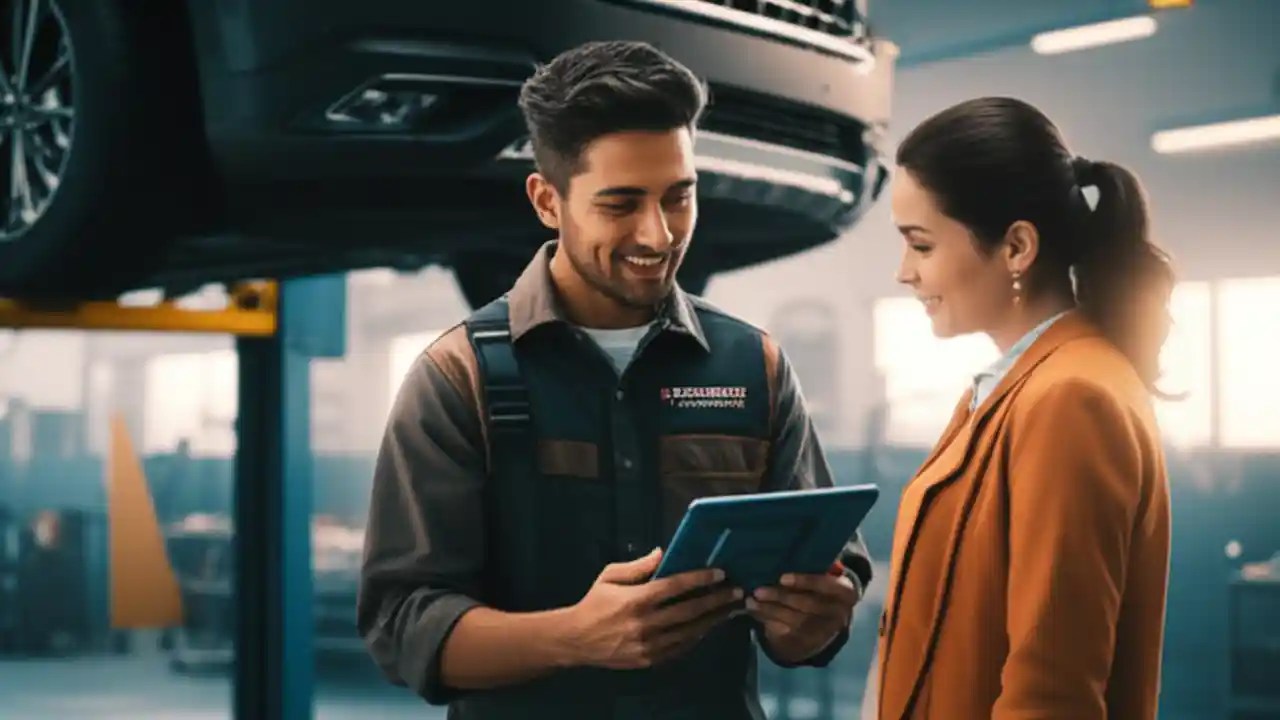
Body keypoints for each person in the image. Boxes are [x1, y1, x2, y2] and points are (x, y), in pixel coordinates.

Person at [358, 40, 872, 719]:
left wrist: (811, 621)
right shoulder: (459, 378)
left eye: (678, 198)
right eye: (621, 204)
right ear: (547, 200)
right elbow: (402, 625)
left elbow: (826, 591)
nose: (658, 235)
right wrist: (573, 636)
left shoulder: (757, 368)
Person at [875, 97, 1173, 720]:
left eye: (921, 245)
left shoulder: (1070, 400)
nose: (904, 273)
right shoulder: (1016, 387)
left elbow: (1052, 695)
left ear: (1016, 247)